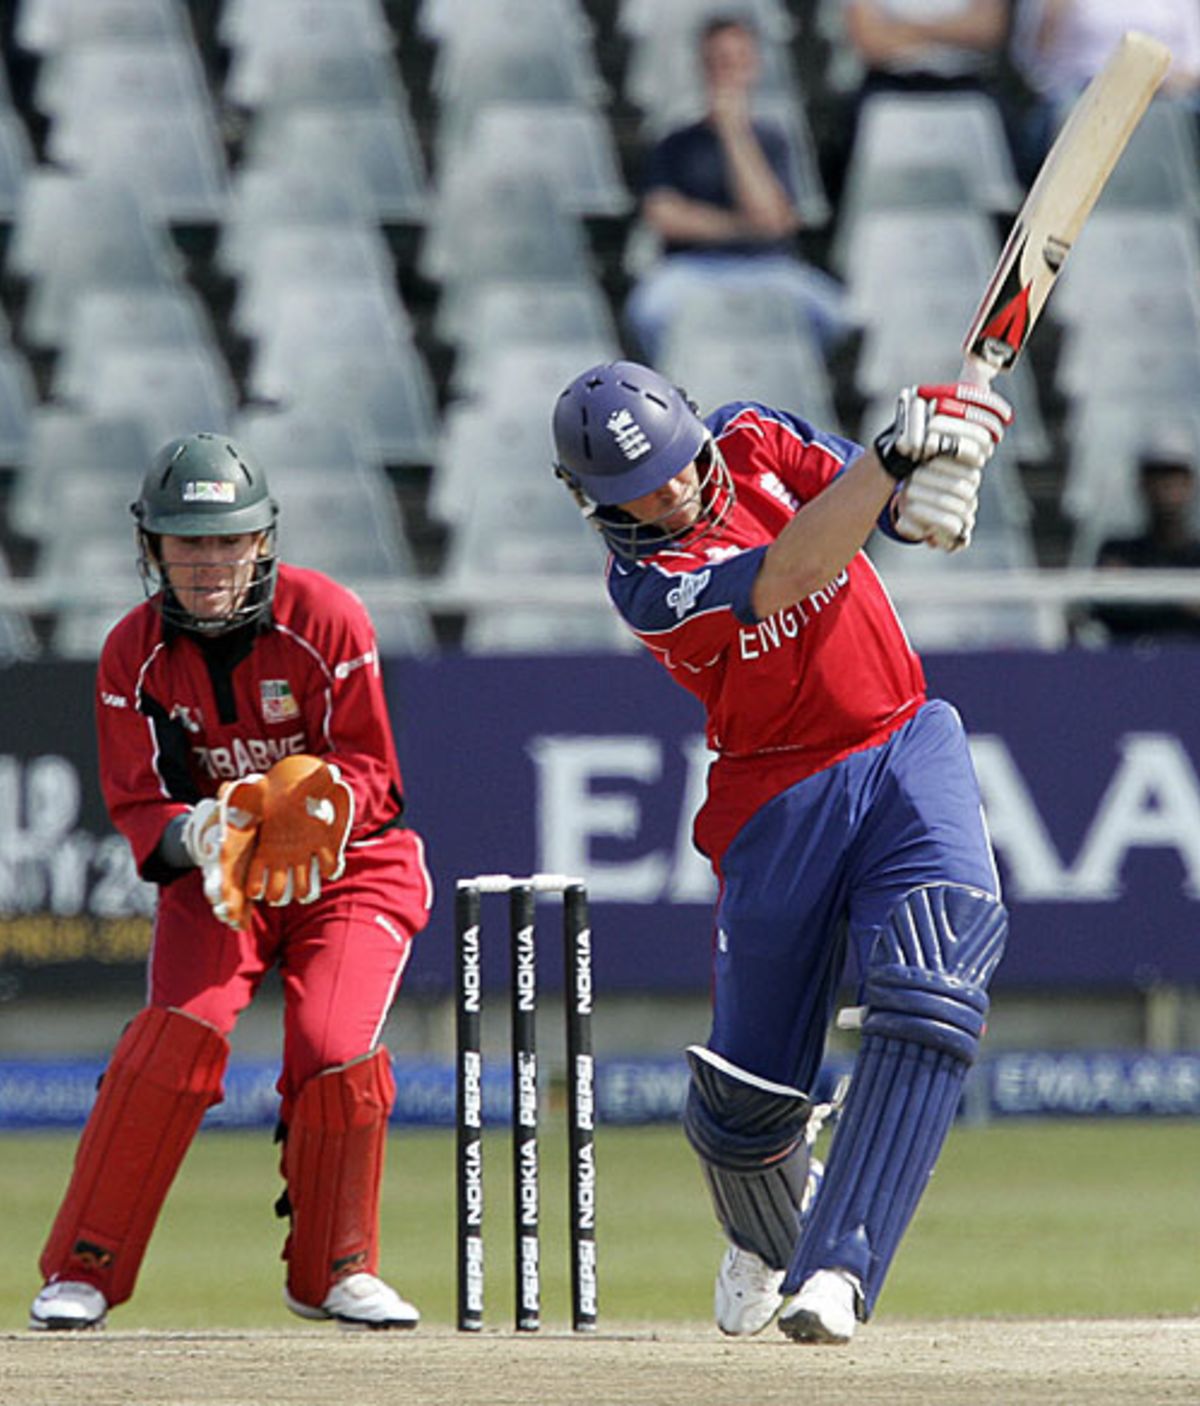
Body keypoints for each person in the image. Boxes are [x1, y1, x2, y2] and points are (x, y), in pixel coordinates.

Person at [552, 360, 1012, 1344]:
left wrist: (932, 489)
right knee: (745, 1106)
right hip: (778, 798)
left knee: (937, 970)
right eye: (642, 491)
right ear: (598, 504)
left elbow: (870, 503)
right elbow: (795, 568)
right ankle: (762, 1236)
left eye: (676, 466)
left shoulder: (753, 435)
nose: (674, 491)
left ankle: (839, 1264)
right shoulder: (648, 585)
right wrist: (895, 460)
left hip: (898, 738)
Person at [29, 432, 433, 1332]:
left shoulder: (327, 616)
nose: (208, 564)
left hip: (349, 868)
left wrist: (308, 806)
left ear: (261, 542)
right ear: (153, 549)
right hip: (222, 875)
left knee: (332, 1045)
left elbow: (373, 769)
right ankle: (84, 1269)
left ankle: (334, 1269)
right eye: (187, 543)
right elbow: (138, 805)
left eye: (226, 542)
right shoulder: (130, 653)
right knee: (177, 1037)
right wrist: (206, 833)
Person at [623, 14, 849, 364]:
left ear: (754, 66)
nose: (728, 71)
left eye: (737, 61)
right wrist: (744, 226)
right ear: (704, 66)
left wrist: (735, 134)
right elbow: (665, 216)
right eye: (720, 61)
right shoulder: (675, 142)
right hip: (691, 267)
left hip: (769, 267)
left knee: (832, 314)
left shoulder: (775, 140)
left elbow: (774, 219)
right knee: (648, 311)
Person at [1007, 0, 1200, 182]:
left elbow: (1193, 63)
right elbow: (1035, 65)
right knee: (1064, 114)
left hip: (1160, 95)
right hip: (1082, 95)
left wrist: (1148, 82)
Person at [1087, 435, 1200, 642]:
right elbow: (1105, 608)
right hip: (1128, 665)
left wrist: (1140, 586)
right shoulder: (1117, 550)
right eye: (1157, 475)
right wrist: (1182, 596)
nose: (1166, 485)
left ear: (1190, 483)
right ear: (1142, 483)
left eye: (1175, 475)